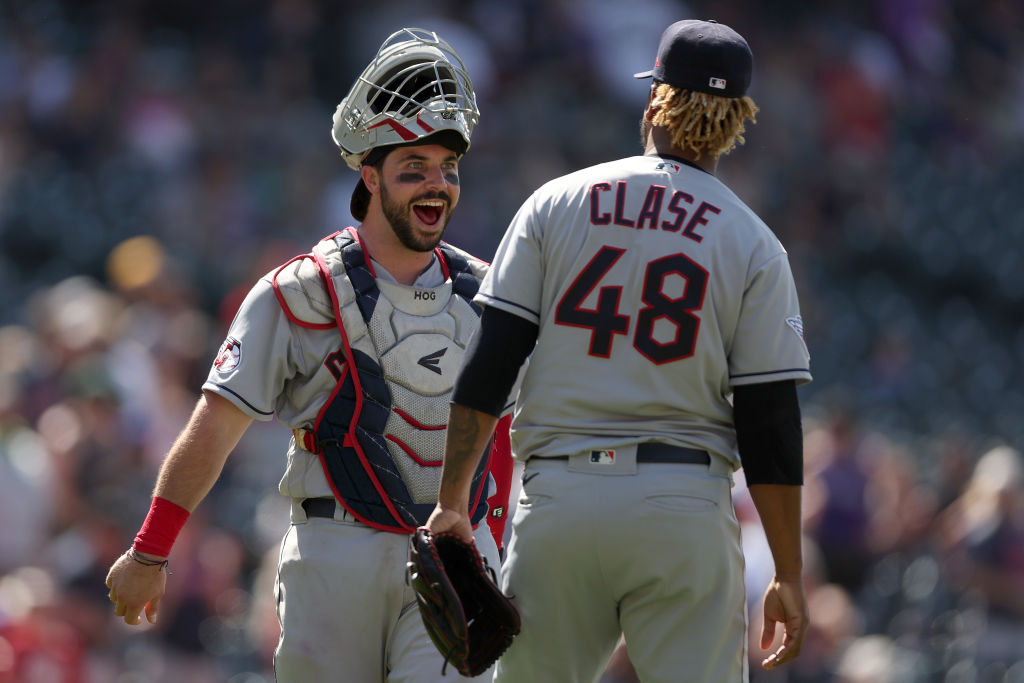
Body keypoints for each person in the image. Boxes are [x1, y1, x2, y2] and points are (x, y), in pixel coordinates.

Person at [106, 27, 515, 682]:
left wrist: (498, 541)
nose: (436, 184)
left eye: (448, 168)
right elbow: (214, 428)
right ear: (369, 176)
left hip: (452, 555)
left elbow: (511, 430)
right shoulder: (296, 291)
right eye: (414, 169)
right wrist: (150, 551)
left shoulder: (492, 295)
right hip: (332, 553)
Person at [425, 18, 812, 682]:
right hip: (683, 505)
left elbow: (490, 365)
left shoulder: (557, 202)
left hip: (562, 500)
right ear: (737, 118)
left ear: (655, 99)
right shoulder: (754, 244)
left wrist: (452, 501)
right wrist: (788, 571)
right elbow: (769, 422)